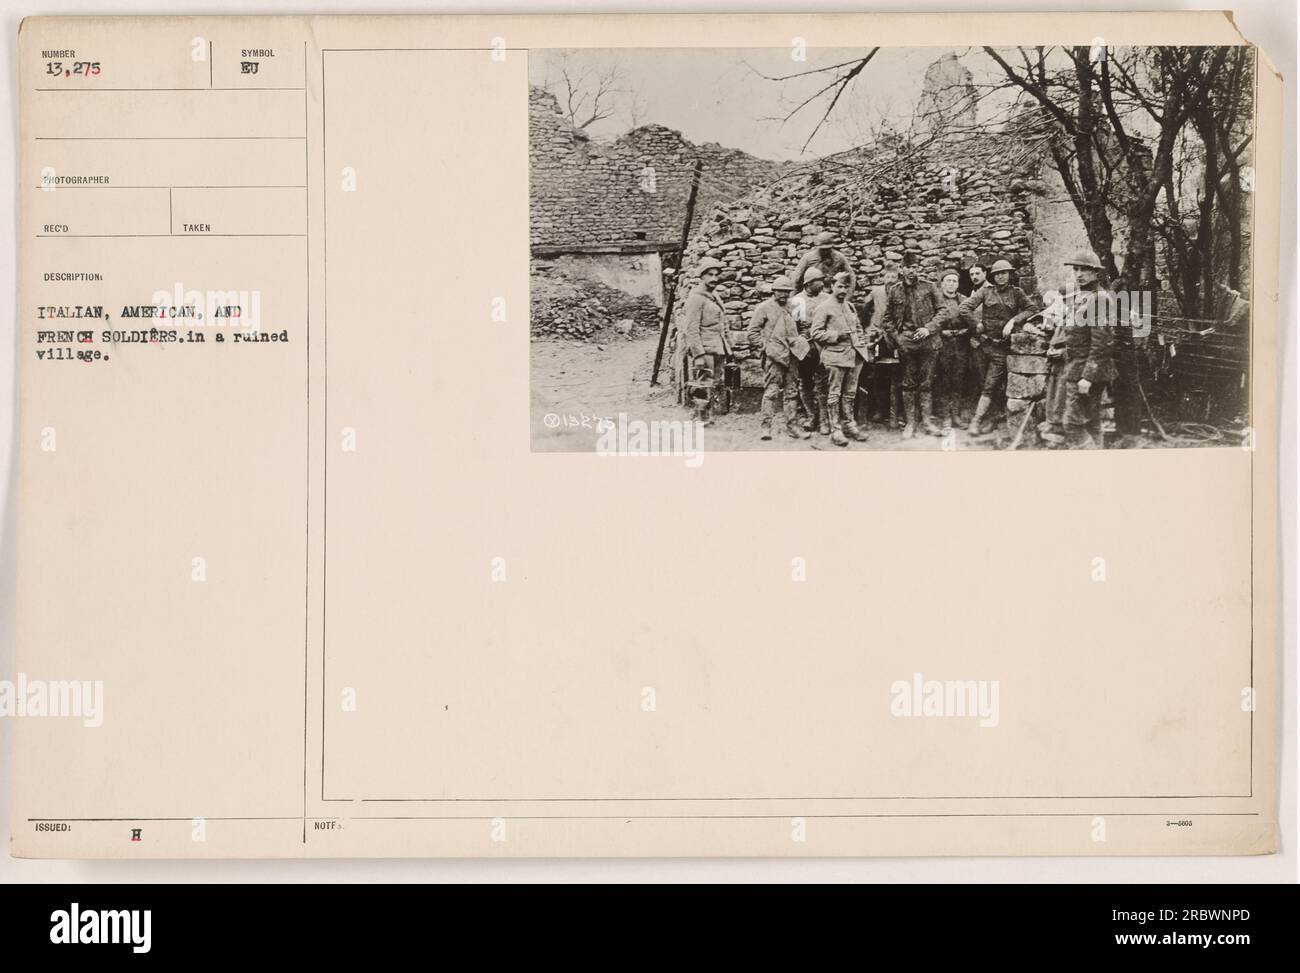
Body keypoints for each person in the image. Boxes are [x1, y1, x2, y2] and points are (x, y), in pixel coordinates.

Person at [956, 258, 1034, 435]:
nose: (1000, 277)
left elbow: (1031, 308)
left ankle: (976, 421)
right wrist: (976, 324)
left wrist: (1013, 321)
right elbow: (964, 308)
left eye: (1004, 273)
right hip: (983, 345)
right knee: (985, 383)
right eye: (997, 274)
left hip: (1001, 348)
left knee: (990, 384)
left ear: (1009, 274)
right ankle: (992, 417)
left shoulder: (1017, 293)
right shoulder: (985, 292)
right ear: (993, 276)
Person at [880, 253, 947, 439]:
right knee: (908, 383)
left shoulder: (930, 287)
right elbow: (887, 319)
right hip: (907, 343)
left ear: (919, 268)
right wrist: (898, 338)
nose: (911, 270)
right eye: (908, 267)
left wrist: (929, 328)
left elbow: (943, 311)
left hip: (928, 341)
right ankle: (910, 423)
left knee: (926, 382)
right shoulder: (895, 290)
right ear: (901, 269)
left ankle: (926, 422)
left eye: (915, 267)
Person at [1060, 250, 1116, 448]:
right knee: (1092, 420)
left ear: (1096, 273)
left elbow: (1102, 342)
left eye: (1085, 269)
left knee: (1072, 424)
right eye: (1076, 269)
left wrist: (1087, 377)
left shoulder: (1099, 298)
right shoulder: (1084, 297)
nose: (1079, 274)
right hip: (1078, 367)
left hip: (1086, 372)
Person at [746, 275, 810, 442]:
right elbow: (752, 332)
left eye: (787, 292)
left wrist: (801, 340)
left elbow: (803, 327)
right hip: (774, 357)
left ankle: (792, 426)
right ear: (773, 291)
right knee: (771, 392)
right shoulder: (764, 307)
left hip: (793, 356)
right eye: (780, 291)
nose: (783, 295)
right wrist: (766, 347)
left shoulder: (795, 306)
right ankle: (766, 427)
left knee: (792, 392)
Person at [810, 272, 869, 446]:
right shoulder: (824, 307)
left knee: (850, 394)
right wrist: (837, 335)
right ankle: (836, 430)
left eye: (846, 287)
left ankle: (850, 425)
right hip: (835, 357)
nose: (843, 290)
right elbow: (815, 333)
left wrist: (862, 344)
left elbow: (858, 329)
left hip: (854, 357)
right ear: (832, 287)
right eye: (839, 286)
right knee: (834, 394)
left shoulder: (850, 306)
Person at [679, 256, 731, 424]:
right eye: (710, 274)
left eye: (717, 274)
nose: (714, 278)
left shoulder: (714, 296)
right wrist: (698, 354)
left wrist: (728, 346)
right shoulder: (696, 298)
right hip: (705, 349)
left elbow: (721, 323)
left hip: (717, 347)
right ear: (702, 276)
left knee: (714, 383)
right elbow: (691, 329)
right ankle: (700, 417)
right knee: (703, 384)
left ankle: (708, 416)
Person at [791, 266, 830, 434]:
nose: (822, 283)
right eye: (818, 281)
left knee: (823, 383)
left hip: (824, 345)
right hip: (805, 347)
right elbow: (793, 326)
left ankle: (824, 420)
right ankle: (811, 416)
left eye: (822, 280)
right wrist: (801, 340)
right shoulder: (797, 300)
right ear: (808, 283)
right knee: (805, 382)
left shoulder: (828, 298)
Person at [934, 268, 969, 434]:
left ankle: (956, 415)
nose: (951, 284)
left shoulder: (964, 300)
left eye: (954, 281)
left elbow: (972, 322)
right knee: (943, 381)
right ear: (942, 283)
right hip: (942, 346)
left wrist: (963, 332)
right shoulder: (935, 300)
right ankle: (945, 416)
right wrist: (941, 332)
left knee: (959, 380)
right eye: (948, 280)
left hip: (960, 346)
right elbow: (929, 322)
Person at [792, 231, 855, 297]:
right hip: (813, 295)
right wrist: (792, 298)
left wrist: (848, 297)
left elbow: (851, 276)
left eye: (828, 249)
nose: (825, 251)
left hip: (832, 295)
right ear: (818, 246)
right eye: (822, 249)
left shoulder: (839, 257)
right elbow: (796, 278)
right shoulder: (808, 258)